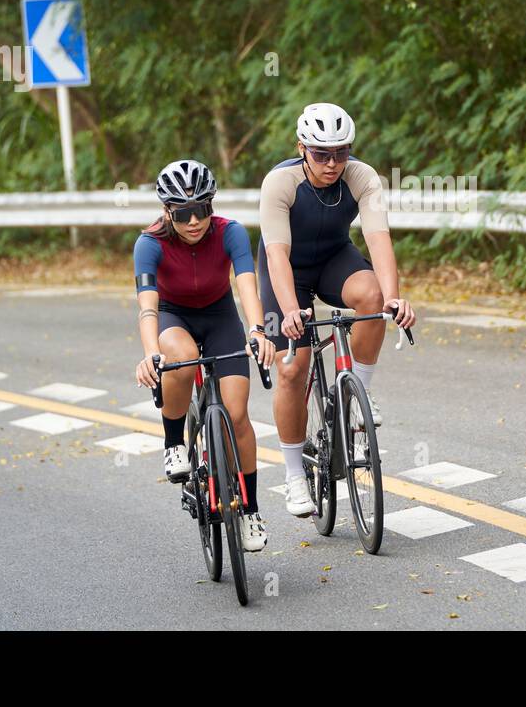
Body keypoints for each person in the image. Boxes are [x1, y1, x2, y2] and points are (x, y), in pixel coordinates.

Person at [256, 103, 416, 518]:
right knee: (294, 367)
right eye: (322, 154)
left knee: (373, 297)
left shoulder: (361, 177)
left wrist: (394, 297)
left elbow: (379, 240)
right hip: (286, 271)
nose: (332, 164)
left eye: (341, 153)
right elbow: (276, 255)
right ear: (302, 149)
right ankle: (293, 477)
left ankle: (353, 394)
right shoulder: (280, 183)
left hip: (333, 260)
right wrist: (290, 311)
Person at [132, 159, 276, 552]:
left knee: (237, 413)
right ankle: (174, 441)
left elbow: (247, 284)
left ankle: (249, 510)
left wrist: (258, 330)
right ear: (167, 212)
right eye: (183, 213)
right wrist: (150, 353)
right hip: (173, 316)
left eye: (202, 210)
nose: (194, 221)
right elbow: (147, 305)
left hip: (220, 317)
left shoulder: (230, 232)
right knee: (181, 355)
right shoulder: (149, 243)